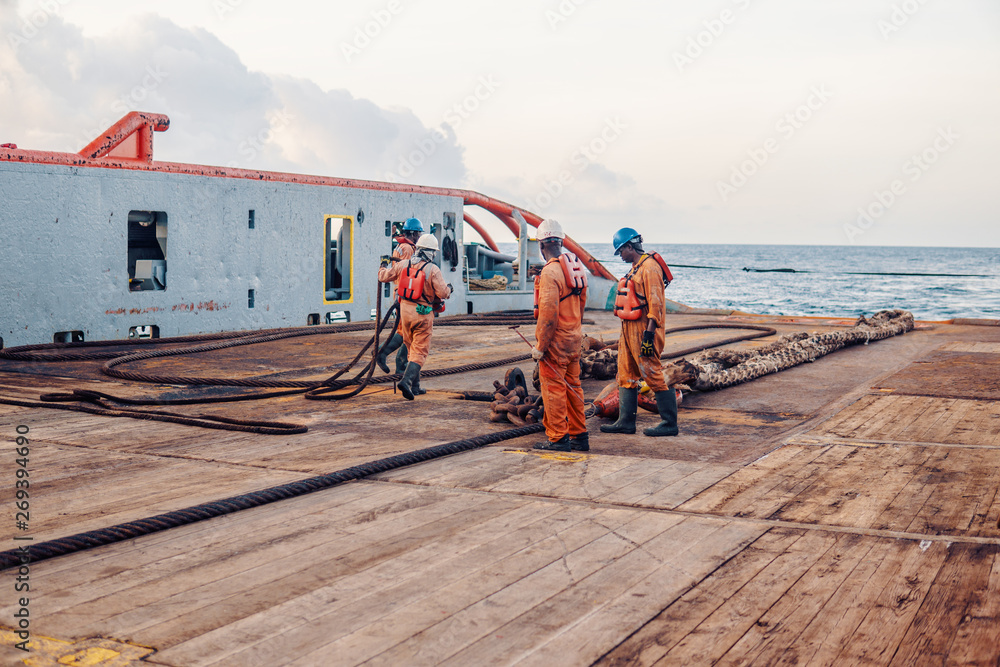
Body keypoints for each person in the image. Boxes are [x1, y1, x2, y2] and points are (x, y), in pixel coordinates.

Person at [600, 227, 678, 437]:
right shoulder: (637, 266)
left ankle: (669, 423)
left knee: (651, 373)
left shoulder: (649, 268)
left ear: (629, 246)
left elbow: (656, 305)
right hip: (628, 330)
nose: (620, 256)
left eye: (621, 252)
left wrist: (649, 336)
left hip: (644, 330)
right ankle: (626, 422)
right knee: (625, 374)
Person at [531, 220, 589, 452]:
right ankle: (579, 436)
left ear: (541, 245)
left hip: (555, 342)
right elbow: (582, 304)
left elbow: (548, 315)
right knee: (574, 386)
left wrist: (541, 346)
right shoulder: (576, 268)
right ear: (561, 242)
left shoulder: (550, 272)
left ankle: (558, 438)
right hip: (574, 337)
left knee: (553, 389)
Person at [377, 233, 452, 400]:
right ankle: (407, 381)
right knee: (420, 351)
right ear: (430, 253)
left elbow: (383, 276)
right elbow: (443, 293)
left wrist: (383, 265)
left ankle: (416, 387)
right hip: (422, 315)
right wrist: (450, 289)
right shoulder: (432, 270)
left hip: (405, 313)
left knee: (411, 347)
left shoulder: (404, 264)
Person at [377, 217, 423, 377]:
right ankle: (399, 364)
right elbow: (409, 273)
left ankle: (385, 355)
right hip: (406, 294)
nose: (419, 236)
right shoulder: (409, 249)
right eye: (418, 233)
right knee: (410, 332)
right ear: (413, 233)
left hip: (400, 292)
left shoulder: (399, 247)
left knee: (404, 330)